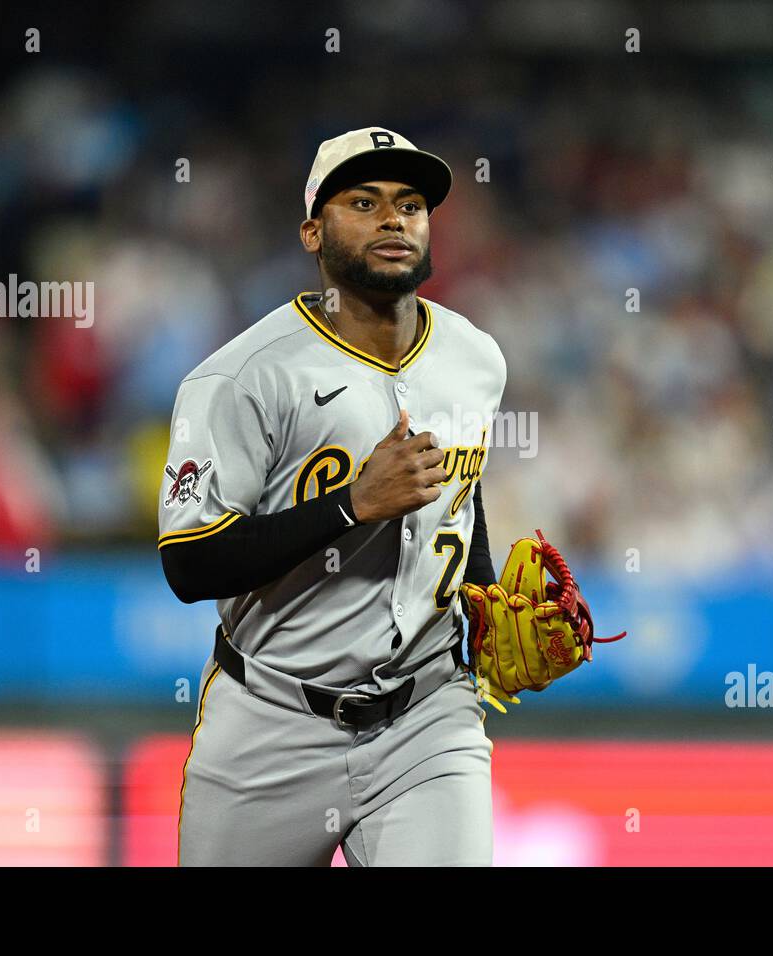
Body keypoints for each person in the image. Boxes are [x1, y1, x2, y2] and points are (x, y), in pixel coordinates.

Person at [158, 127, 505, 866]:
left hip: (428, 717)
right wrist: (351, 504)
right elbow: (190, 564)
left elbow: (459, 495)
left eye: (411, 204)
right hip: (270, 721)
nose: (394, 219)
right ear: (313, 231)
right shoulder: (243, 376)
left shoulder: (475, 357)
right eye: (364, 201)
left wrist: (488, 601)